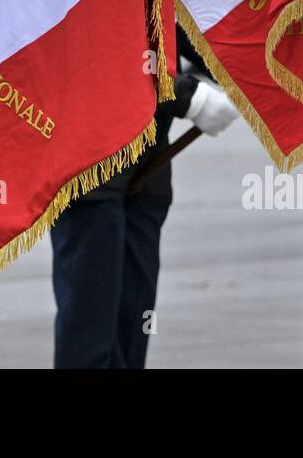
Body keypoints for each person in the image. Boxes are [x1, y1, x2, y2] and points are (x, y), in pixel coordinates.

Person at [49, 44, 238, 369]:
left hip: (146, 165)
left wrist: (248, 63)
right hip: (93, 166)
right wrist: (187, 96)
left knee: (132, 333)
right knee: (89, 335)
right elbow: (106, 35)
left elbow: (177, 19)